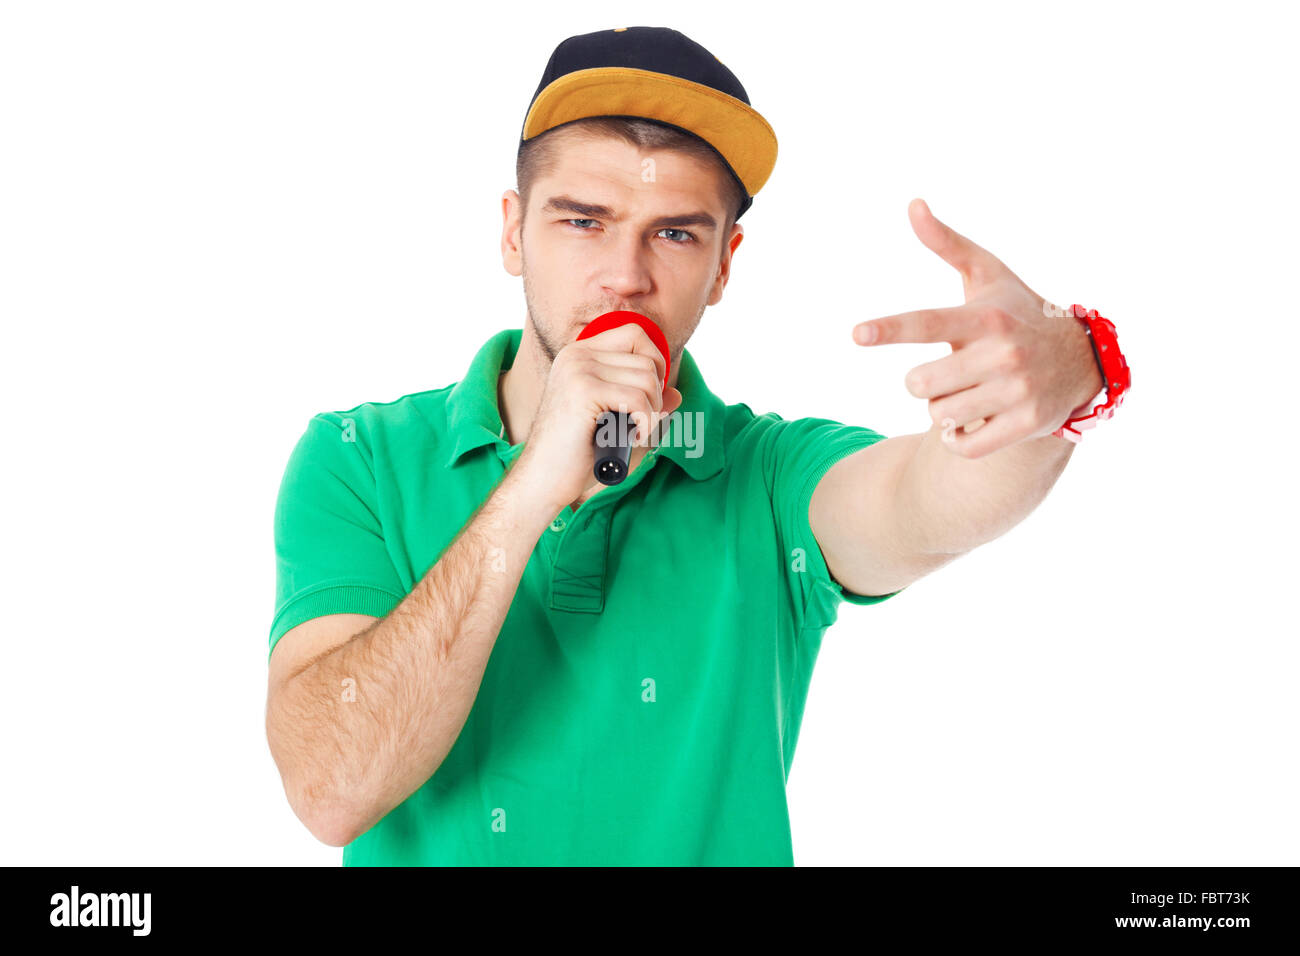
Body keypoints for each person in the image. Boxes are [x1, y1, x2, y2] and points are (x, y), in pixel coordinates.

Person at [264, 26, 1124, 865]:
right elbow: (332, 788)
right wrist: (532, 487)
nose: (626, 275)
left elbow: (935, 499)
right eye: (583, 222)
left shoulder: (770, 477)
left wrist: (1065, 379)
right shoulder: (358, 458)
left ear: (723, 265)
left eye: (675, 233)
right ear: (511, 232)